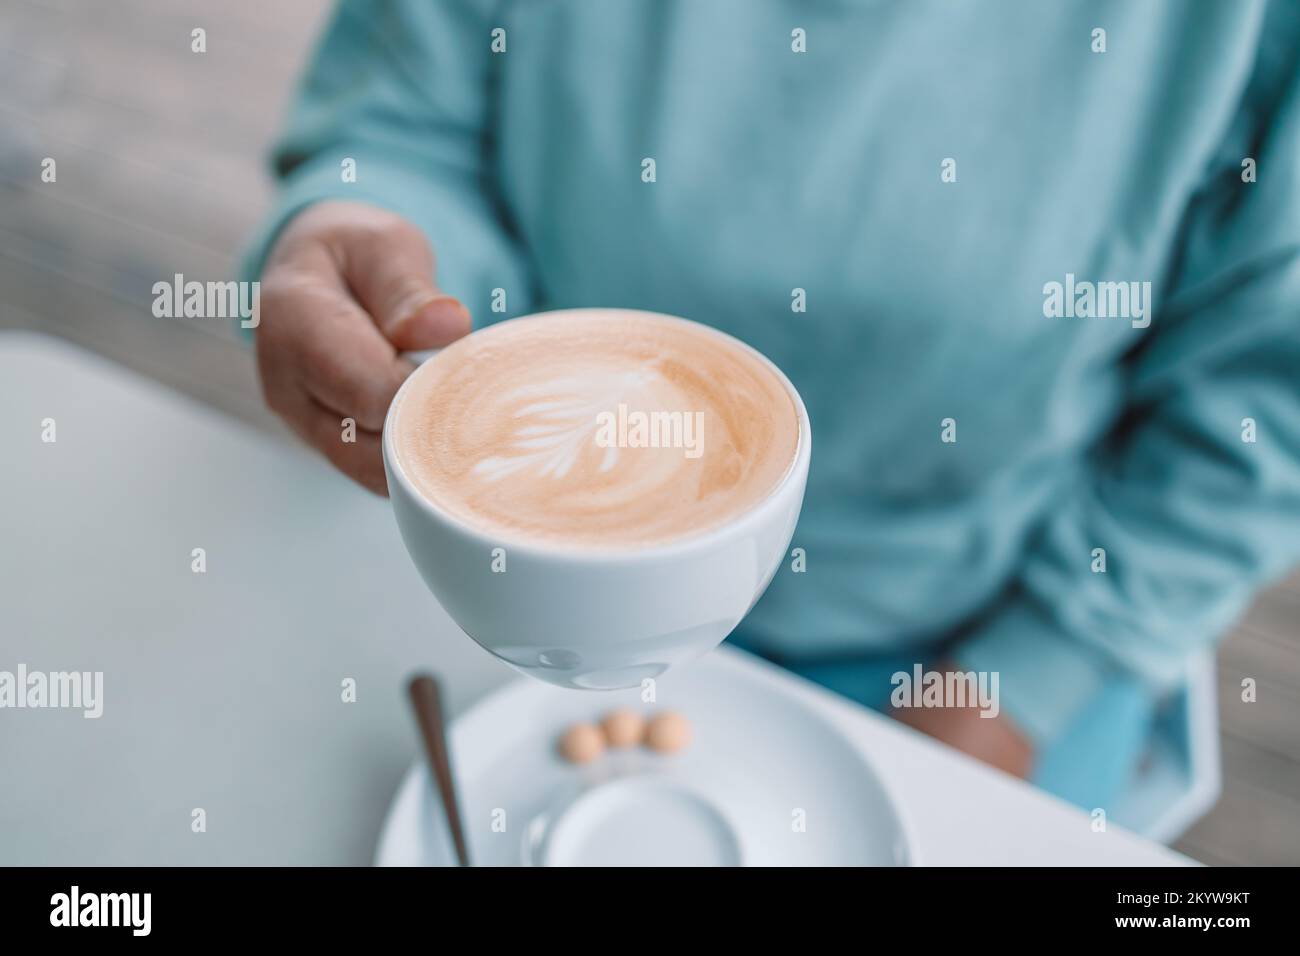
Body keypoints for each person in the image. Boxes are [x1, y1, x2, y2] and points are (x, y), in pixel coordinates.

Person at [244, 0, 1300, 817]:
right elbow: (404, 129)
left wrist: (1019, 682)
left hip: (974, 616)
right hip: (523, 573)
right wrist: (376, 266)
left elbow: (1261, 394)